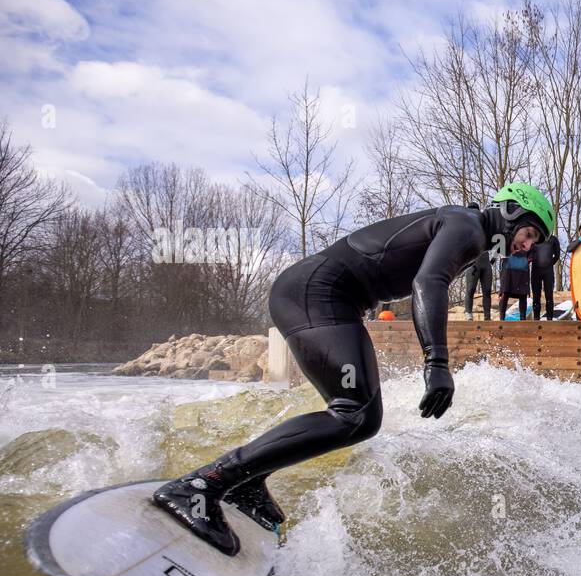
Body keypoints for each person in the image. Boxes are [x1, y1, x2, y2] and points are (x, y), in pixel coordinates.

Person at [150, 183, 555, 555]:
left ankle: (247, 482)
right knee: (355, 413)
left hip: (323, 298)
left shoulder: (467, 230)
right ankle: (201, 485)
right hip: (316, 294)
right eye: (529, 232)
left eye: (534, 241)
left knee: (358, 415)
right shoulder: (467, 226)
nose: (526, 245)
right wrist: (436, 362)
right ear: (510, 210)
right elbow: (428, 283)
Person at [529, 232, 560, 320]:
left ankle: (549, 318)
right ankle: (536, 318)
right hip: (535, 270)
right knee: (536, 295)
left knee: (549, 295)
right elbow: (528, 253)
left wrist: (549, 263)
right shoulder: (533, 238)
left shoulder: (553, 239)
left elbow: (557, 255)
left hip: (548, 271)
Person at [498, 248, 530, 320]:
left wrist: (527, 259)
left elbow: (531, 251)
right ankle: (501, 319)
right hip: (508, 267)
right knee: (505, 292)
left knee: (523, 293)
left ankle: (523, 319)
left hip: (522, 267)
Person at [463, 248, 493, 320]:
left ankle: (487, 316)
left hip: (486, 262)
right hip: (473, 263)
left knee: (487, 290)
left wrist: (492, 260)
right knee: (471, 288)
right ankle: (468, 312)